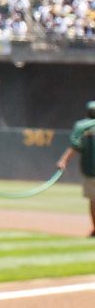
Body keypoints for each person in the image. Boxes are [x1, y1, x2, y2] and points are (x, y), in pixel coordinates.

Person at [55, 101, 95, 236]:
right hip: (90, 169)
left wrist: (63, 161)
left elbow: (75, 146)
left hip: (90, 170)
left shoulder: (82, 126)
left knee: (93, 201)